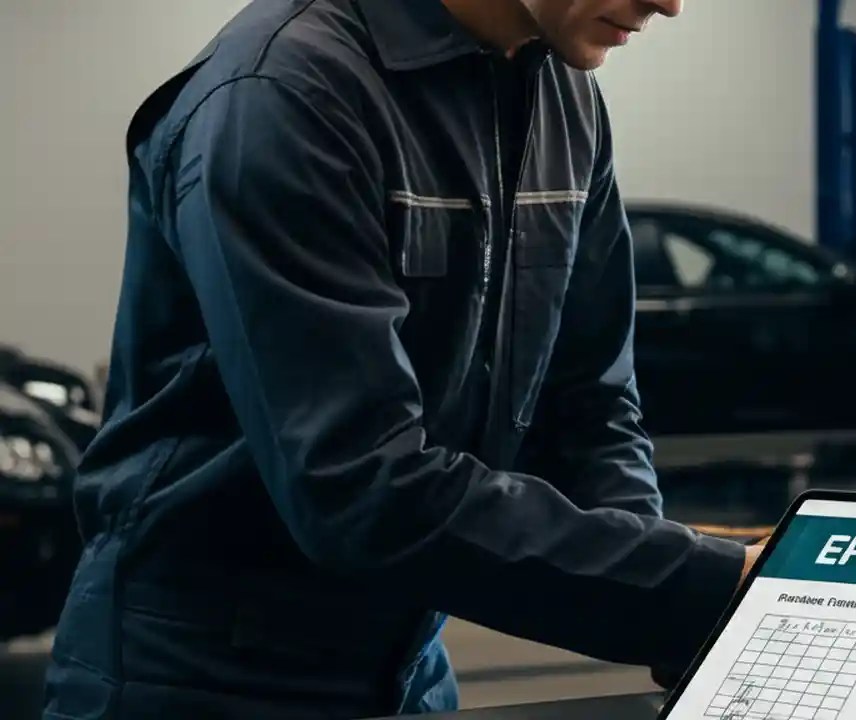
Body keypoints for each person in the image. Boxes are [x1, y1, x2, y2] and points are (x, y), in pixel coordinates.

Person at [43, 1, 765, 718]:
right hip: (198, 680)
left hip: (408, 670)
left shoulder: (563, 93)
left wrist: (674, 610)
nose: (669, 3)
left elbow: (588, 405)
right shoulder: (283, 91)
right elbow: (359, 486)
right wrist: (697, 584)